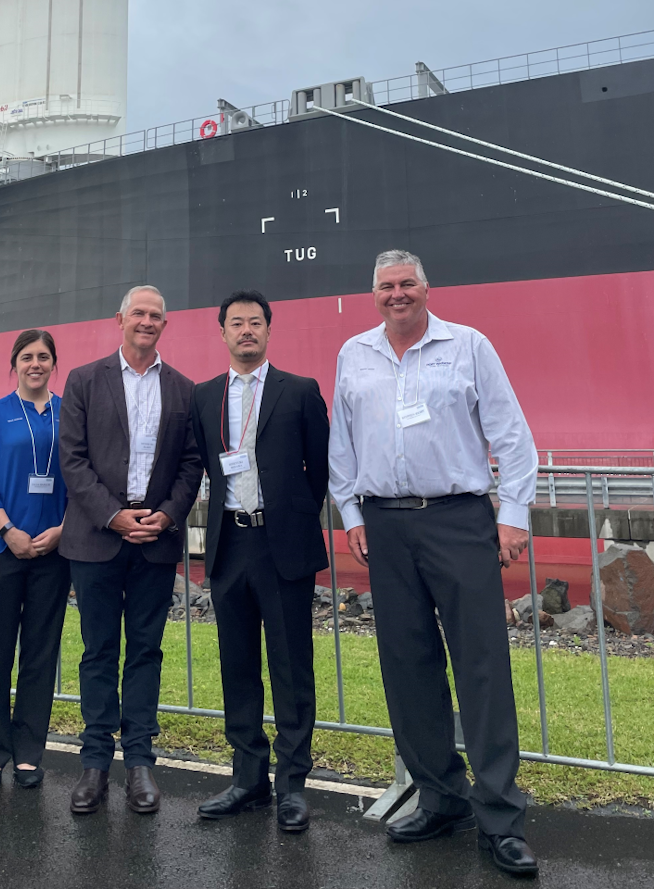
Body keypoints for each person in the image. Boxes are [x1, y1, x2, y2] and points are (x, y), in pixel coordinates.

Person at [328, 250, 539, 877]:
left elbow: (511, 433)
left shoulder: (469, 345)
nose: (397, 294)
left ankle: (500, 816)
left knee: (481, 664)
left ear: (426, 289)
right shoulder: (353, 355)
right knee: (407, 665)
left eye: (407, 284)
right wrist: (351, 514)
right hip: (385, 525)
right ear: (374, 294)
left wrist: (514, 514)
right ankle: (441, 797)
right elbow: (343, 442)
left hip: (458, 518)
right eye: (386, 286)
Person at [59, 285, 203, 816]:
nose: (147, 321)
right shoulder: (83, 380)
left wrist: (166, 515)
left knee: (145, 652)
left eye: (156, 315)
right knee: (98, 652)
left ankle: (140, 762)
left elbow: (193, 464)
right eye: (138, 313)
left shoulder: (184, 390)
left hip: (156, 540)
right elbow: (72, 460)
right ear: (120, 319)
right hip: (97, 538)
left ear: (165, 324)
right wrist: (112, 515)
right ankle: (94, 763)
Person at [190, 290, 329, 834]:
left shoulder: (300, 391)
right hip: (230, 545)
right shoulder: (204, 397)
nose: (245, 331)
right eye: (236, 323)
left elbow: (317, 470)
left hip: (282, 543)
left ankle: (293, 783)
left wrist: (290, 520)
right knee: (238, 666)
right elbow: (207, 464)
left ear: (269, 330)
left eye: (255, 323)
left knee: (292, 667)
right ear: (221, 332)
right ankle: (248, 777)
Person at [0, 329, 69, 792]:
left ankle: (29, 752)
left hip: (54, 549)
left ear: (53, 363)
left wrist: (65, 528)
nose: (35, 364)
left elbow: (83, 476)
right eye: (27, 357)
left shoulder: (71, 413)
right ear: (14, 364)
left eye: (43, 356)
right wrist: (8, 531)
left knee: (40, 654)